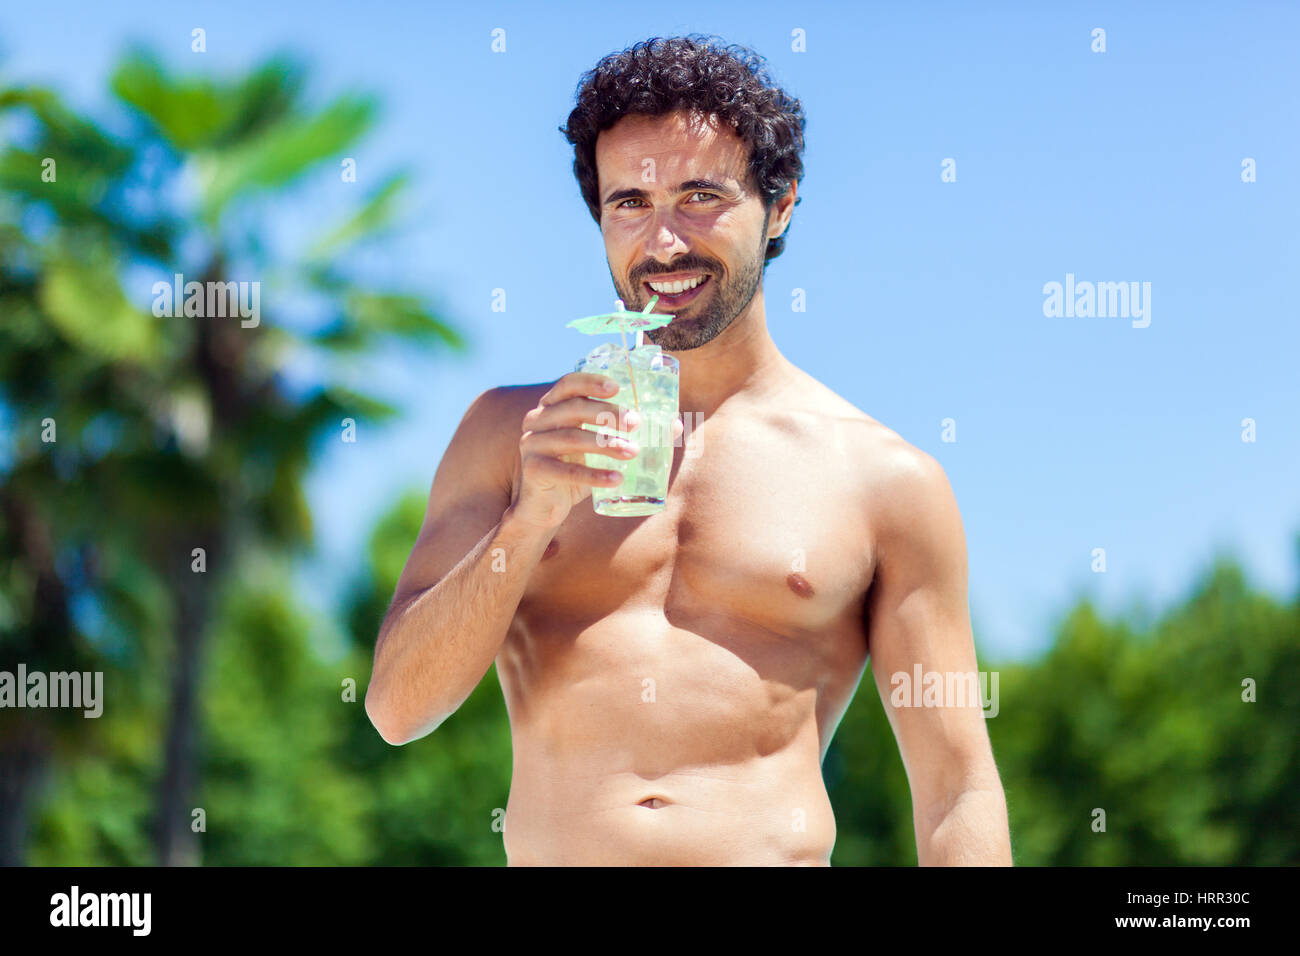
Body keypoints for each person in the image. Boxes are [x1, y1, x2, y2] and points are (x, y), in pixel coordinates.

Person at [365, 34, 1012, 866]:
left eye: (700, 196)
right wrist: (529, 524)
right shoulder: (508, 434)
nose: (663, 242)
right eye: (629, 202)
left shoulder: (886, 481)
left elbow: (958, 788)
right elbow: (396, 709)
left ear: (779, 206)